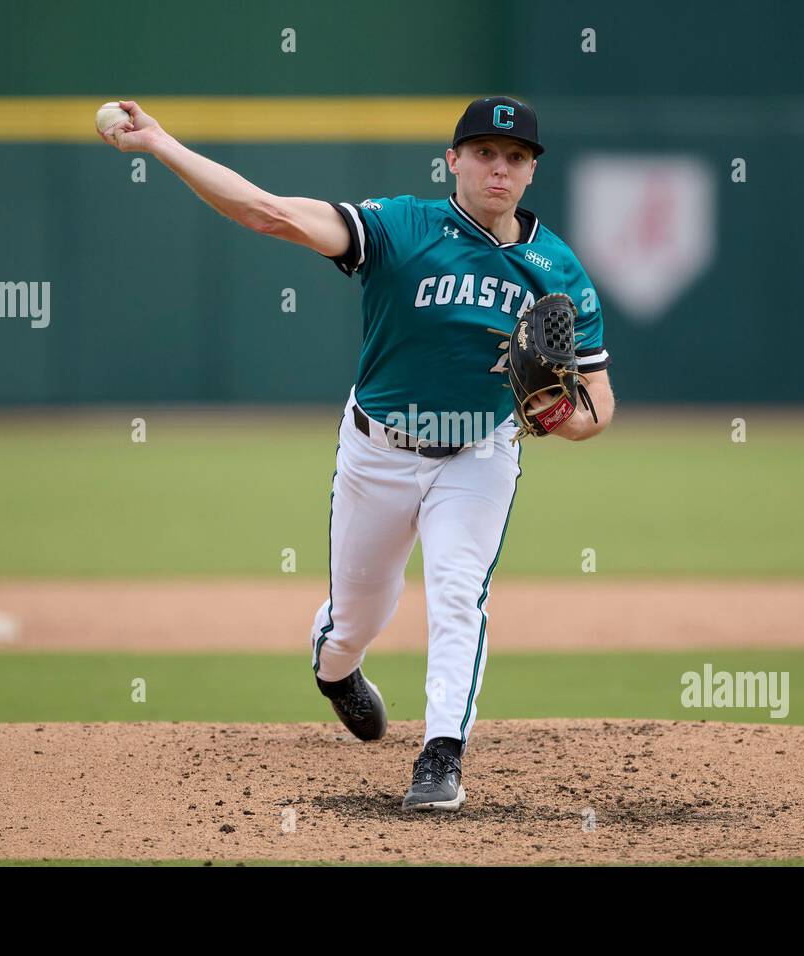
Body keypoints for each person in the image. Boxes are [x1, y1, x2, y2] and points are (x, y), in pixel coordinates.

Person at [97, 95, 615, 808]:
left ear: (531, 174)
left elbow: (597, 400)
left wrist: (562, 416)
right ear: (453, 161)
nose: (501, 168)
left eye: (516, 158)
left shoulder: (557, 268)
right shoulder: (399, 227)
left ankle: (441, 755)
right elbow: (269, 212)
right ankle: (336, 669)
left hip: (479, 454)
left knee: (460, 593)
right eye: (486, 153)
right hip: (378, 451)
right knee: (357, 618)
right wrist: (163, 145)